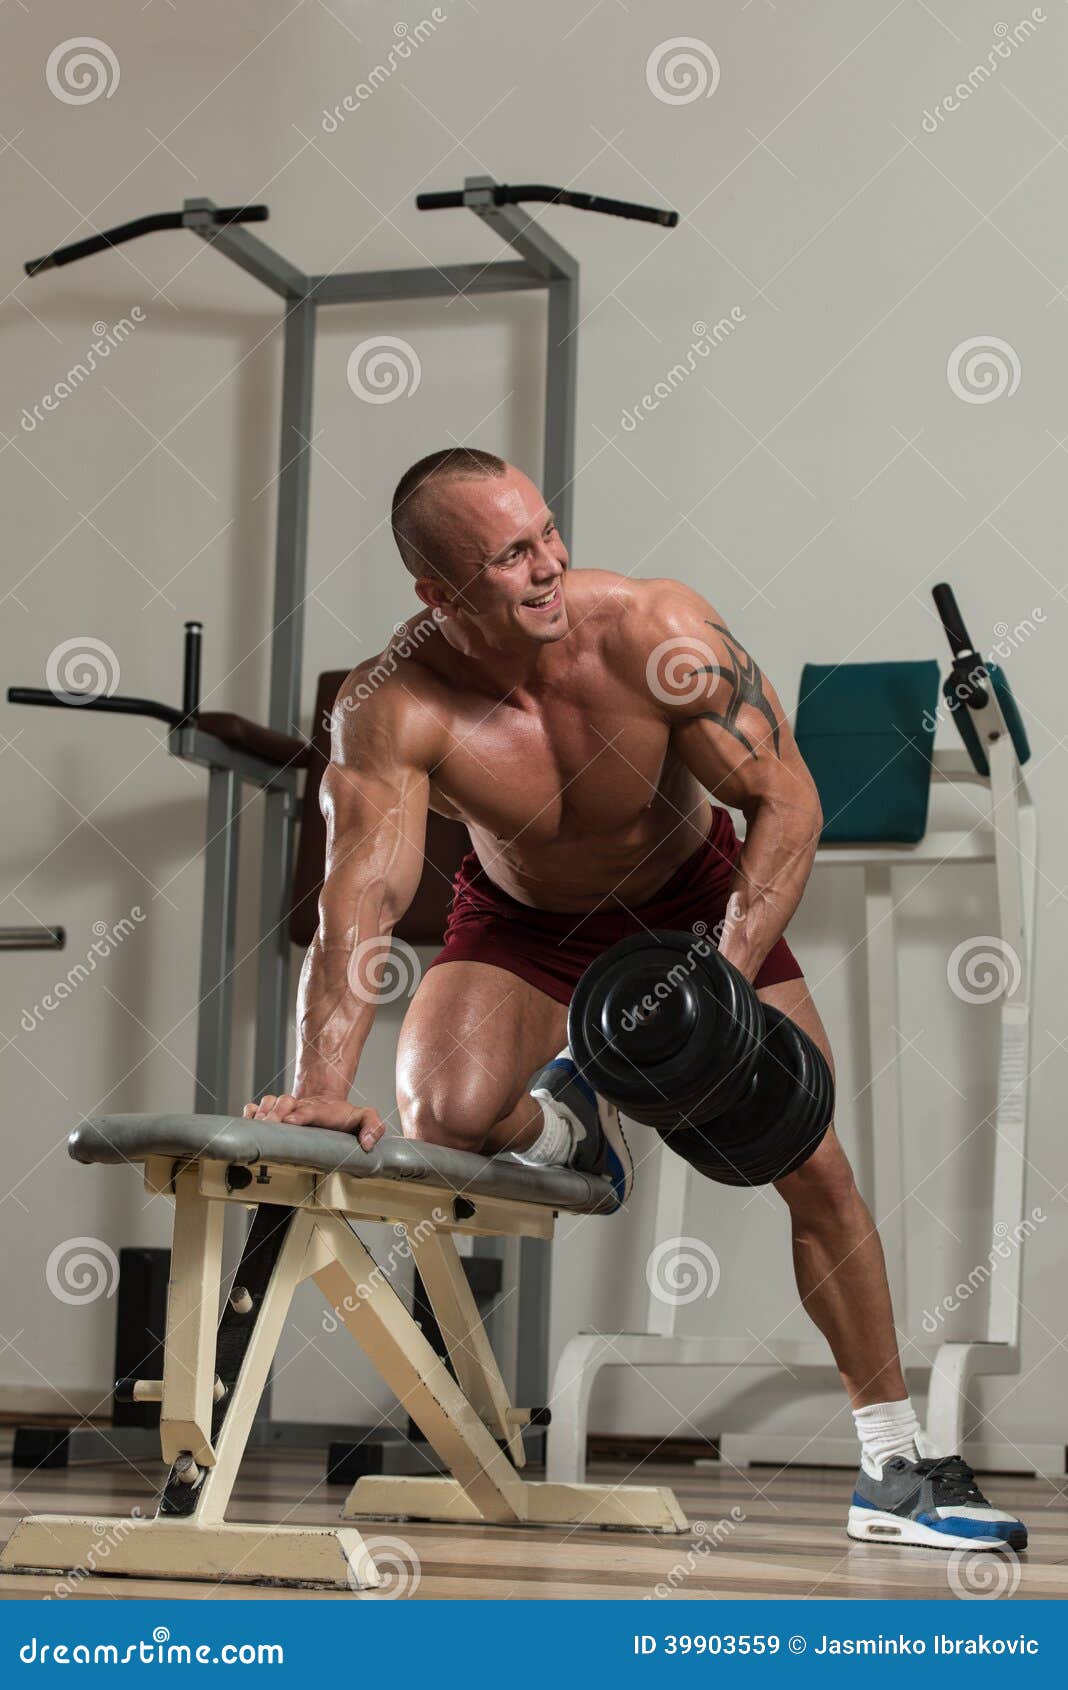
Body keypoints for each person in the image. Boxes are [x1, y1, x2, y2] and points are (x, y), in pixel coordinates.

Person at [246, 447, 1025, 1553]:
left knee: (808, 1149)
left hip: (689, 906)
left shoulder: (653, 633)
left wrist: (722, 974)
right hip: (522, 925)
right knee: (443, 1114)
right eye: (510, 554)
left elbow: (785, 799)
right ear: (438, 594)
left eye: (548, 531)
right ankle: (567, 1125)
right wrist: (321, 1090)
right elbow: (358, 896)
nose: (548, 563)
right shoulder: (393, 705)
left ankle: (893, 1464)